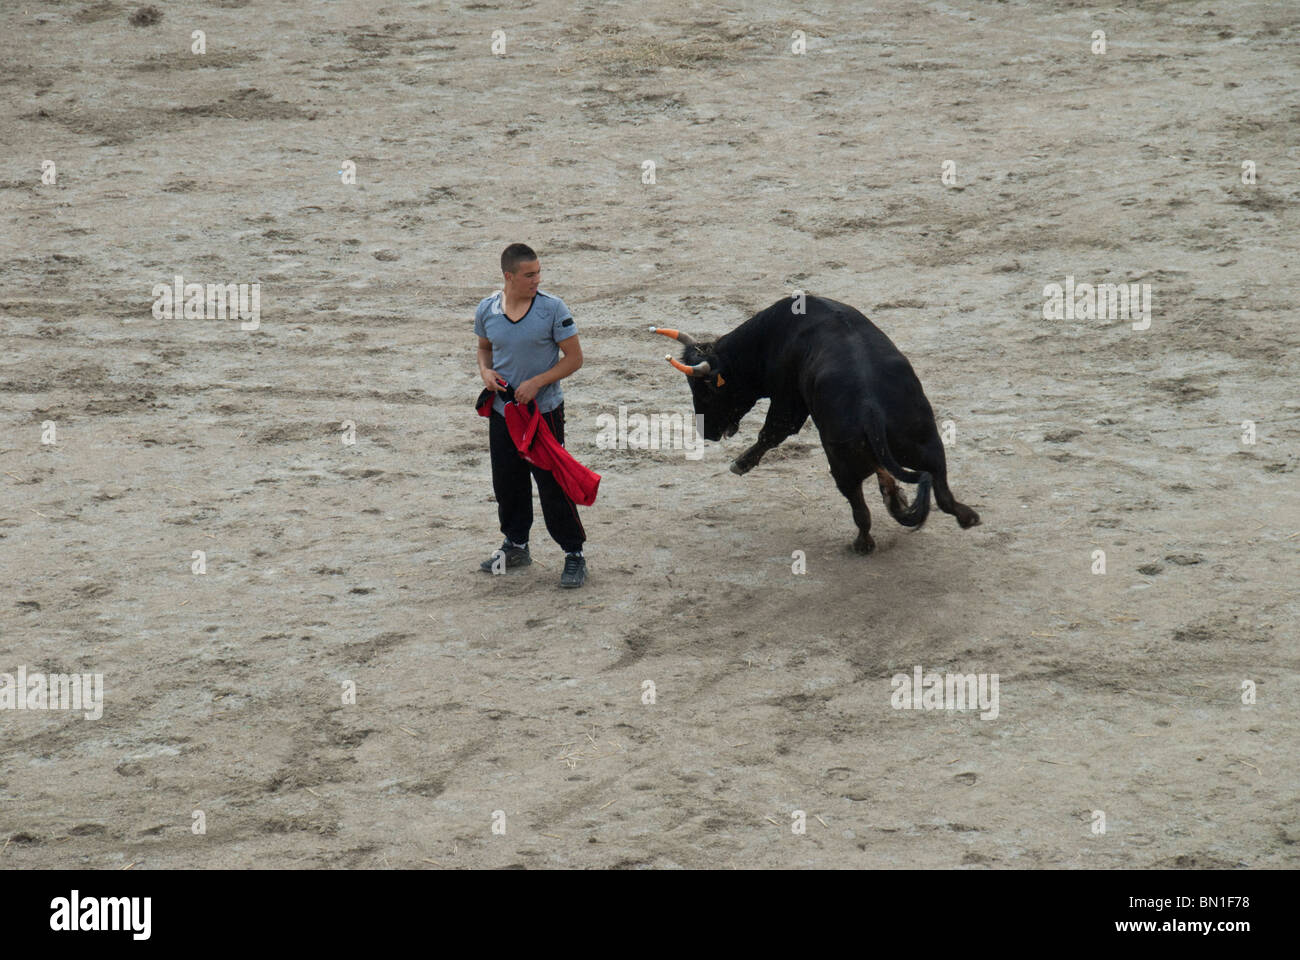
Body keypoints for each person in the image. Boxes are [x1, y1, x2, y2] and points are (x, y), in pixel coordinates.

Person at [474, 243, 587, 588]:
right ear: (509, 276)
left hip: (544, 413)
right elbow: (484, 349)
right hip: (503, 412)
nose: (537, 279)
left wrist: (537, 382)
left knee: (553, 484)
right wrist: (485, 373)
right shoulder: (487, 309)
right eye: (529, 275)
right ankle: (516, 546)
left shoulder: (552, 309)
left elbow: (574, 359)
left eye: (538, 272)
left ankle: (574, 555)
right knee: (507, 483)